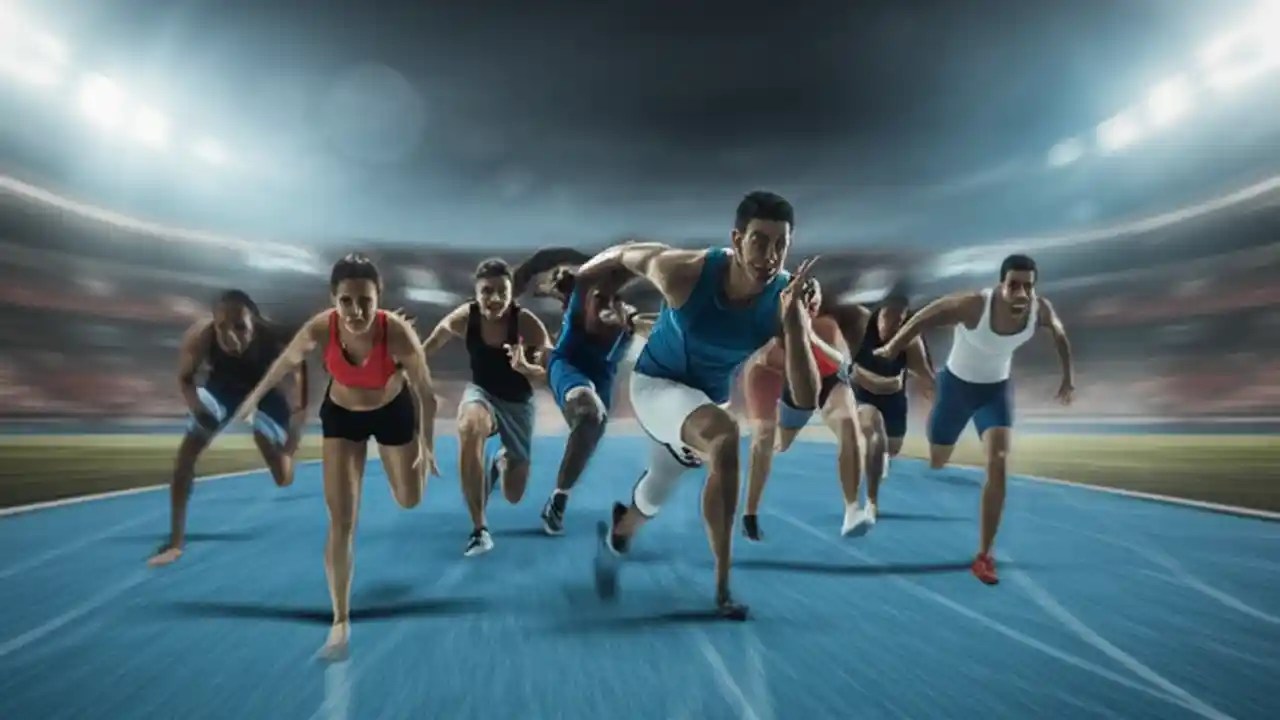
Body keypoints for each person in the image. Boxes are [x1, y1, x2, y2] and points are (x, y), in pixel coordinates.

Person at [580, 190, 819, 620]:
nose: (770, 256)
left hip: (704, 400)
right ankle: (723, 587)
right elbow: (627, 253)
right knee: (726, 436)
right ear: (736, 238)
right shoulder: (685, 272)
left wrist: (796, 325)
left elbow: (805, 397)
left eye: (781, 245)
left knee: (660, 482)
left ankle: (618, 534)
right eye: (760, 241)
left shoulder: (783, 299)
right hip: (656, 384)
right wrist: (585, 281)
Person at [230, 253, 439, 660]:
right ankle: (340, 619)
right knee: (341, 519)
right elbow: (285, 362)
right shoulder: (321, 328)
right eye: (346, 301)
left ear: (379, 298)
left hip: (394, 412)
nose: (356, 311)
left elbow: (427, 395)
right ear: (333, 299)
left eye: (366, 300)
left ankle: (407, 468)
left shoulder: (396, 334)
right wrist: (254, 399)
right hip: (343, 417)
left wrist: (427, 444)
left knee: (409, 499)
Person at [874, 254, 1073, 585]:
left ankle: (984, 555)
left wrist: (1068, 378)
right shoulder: (973, 305)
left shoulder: (1040, 310)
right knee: (938, 458)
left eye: (1028, 286)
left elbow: (1060, 335)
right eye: (1013, 285)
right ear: (1001, 285)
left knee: (998, 460)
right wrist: (893, 347)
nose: (1021, 294)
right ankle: (928, 449)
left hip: (994, 393)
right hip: (954, 389)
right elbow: (926, 316)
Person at [147, 290, 308, 567]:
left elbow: (300, 372)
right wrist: (198, 409)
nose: (230, 337)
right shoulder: (200, 337)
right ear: (213, 322)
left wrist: (295, 428)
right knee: (186, 453)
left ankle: (284, 458)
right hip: (222, 389)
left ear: (254, 324)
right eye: (222, 326)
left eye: (240, 327)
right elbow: (186, 380)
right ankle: (175, 542)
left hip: (264, 391)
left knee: (281, 475)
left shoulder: (274, 336)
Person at [509, 247, 649, 535]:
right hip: (569, 366)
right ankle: (557, 500)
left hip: (603, 377)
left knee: (591, 429)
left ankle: (554, 491)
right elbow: (547, 258)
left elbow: (638, 269)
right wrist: (517, 280)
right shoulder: (585, 287)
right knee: (589, 413)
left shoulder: (623, 310)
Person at [421, 258, 552, 557]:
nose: (494, 299)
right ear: (476, 293)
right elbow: (432, 342)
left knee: (513, 494)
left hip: (518, 405)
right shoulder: (465, 318)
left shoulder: (527, 323)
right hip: (482, 394)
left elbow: (552, 371)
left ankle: (503, 461)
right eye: (486, 291)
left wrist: (530, 369)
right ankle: (479, 530)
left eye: (501, 291)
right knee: (469, 426)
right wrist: (406, 371)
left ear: (511, 293)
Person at [739, 278, 866, 541]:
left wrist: (811, 338)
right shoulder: (770, 336)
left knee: (847, 423)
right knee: (770, 441)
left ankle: (853, 509)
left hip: (830, 380)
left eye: (811, 305)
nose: (807, 311)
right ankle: (749, 513)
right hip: (788, 384)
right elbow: (760, 365)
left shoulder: (826, 327)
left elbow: (844, 365)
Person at [829, 285, 936, 532]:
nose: (892, 326)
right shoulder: (859, 324)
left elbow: (925, 375)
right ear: (878, 313)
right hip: (864, 396)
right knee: (872, 429)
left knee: (891, 448)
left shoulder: (910, 340)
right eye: (888, 317)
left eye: (900, 320)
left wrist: (936, 398)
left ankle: (882, 456)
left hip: (893, 399)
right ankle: (872, 503)